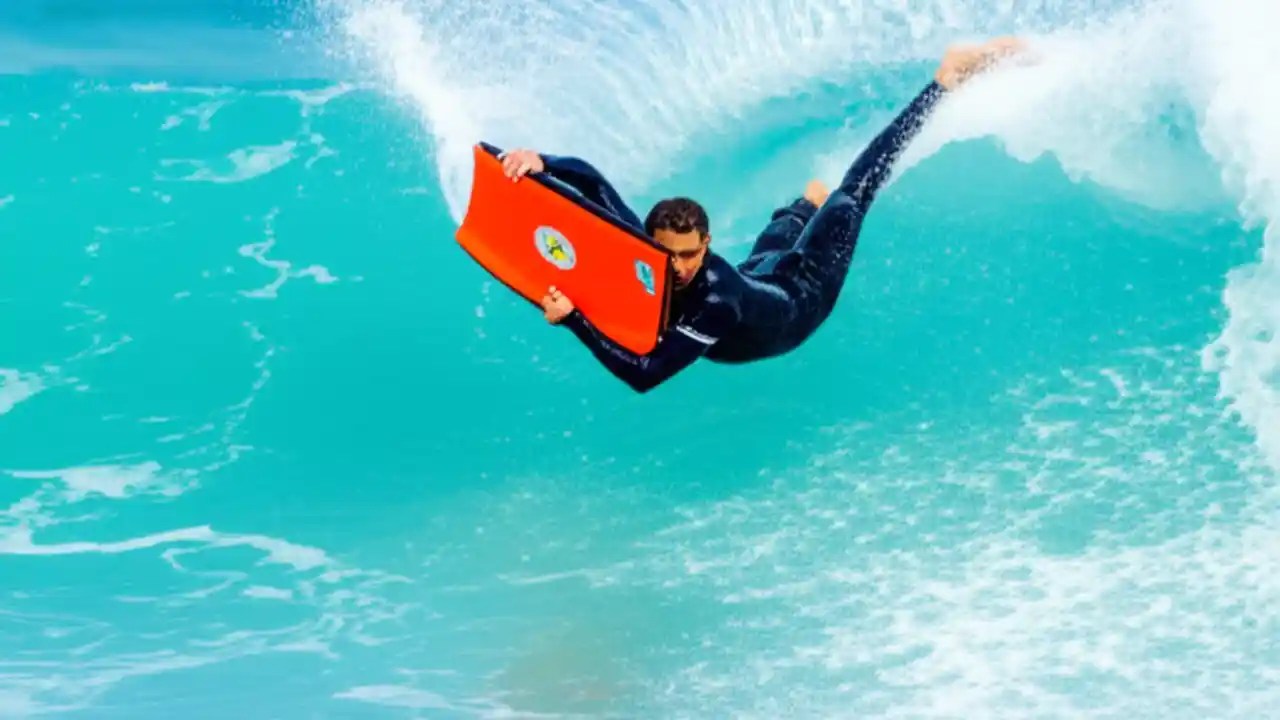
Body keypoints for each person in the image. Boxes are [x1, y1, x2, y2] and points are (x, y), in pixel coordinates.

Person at [499, 37, 1025, 393]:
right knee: (780, 235)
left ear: (705, 245)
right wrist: (540, 161)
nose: (677, 266)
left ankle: (944, 80)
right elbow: (593, 183)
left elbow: (645, 374)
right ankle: (805, 205)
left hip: (803, 296)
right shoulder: (652, 252)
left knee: (851, 195)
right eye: (667, 253)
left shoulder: (715, 301)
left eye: (689, 255)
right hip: (760, 276)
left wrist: (573, 320)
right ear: (652, 240)